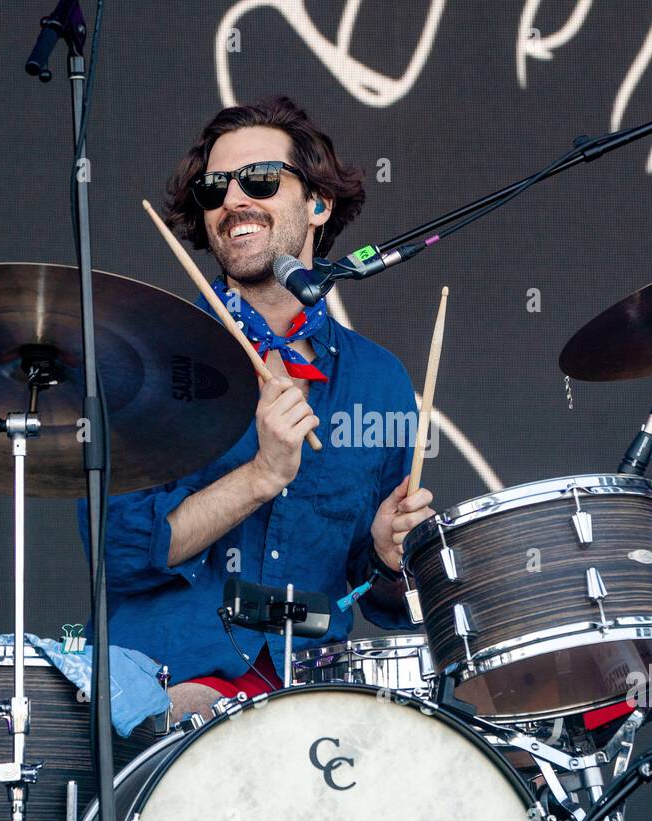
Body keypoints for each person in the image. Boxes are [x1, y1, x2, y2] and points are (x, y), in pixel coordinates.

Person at [80, 95, 435, 721]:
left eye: (261, 181)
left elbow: (382, 603)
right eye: (215, 189)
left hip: (316, 708)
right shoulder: (150, 363)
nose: (234, 200)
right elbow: (122, 556)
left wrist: (384, 557)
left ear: (319, 204)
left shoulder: (379, 381)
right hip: (175, 695)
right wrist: (261, 477)